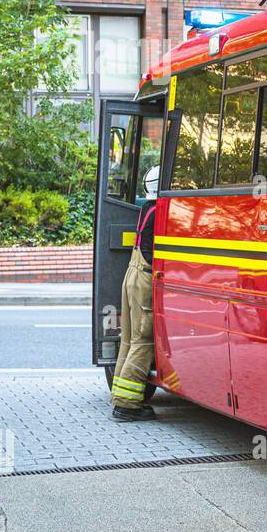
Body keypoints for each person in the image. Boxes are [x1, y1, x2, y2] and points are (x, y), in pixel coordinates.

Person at [109, 165, 159, 421]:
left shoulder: (146, 208)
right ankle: (127, 406)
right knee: (144, 339)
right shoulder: (161, 210)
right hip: (145, 279)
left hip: (132, 274)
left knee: (128, 339)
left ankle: (119, 395)